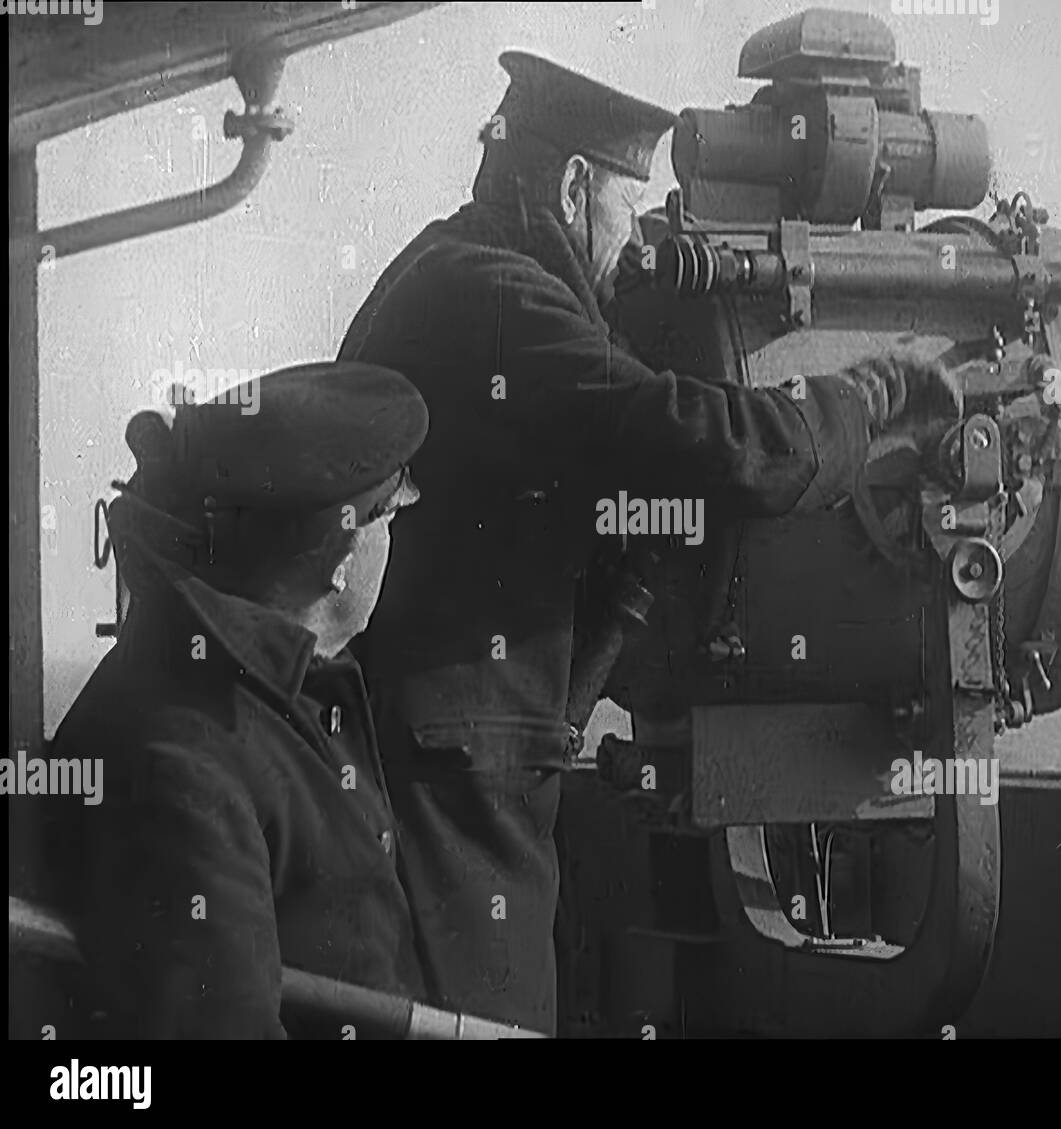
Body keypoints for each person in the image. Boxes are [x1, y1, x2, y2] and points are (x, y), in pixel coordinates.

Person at [337, 51, 961, 1035]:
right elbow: (715, 445)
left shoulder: (455, 265)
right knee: (477, 1022)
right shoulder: (495, 299)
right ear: (576, 186)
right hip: (444, 767)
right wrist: (872, 399)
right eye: (631, 213)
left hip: (454, 749)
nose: (634, 251)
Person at [49, 363, 430, 1039]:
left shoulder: (276, 682)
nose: (395, 540)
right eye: (391, 516)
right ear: (343, 551)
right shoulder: (183, 757)